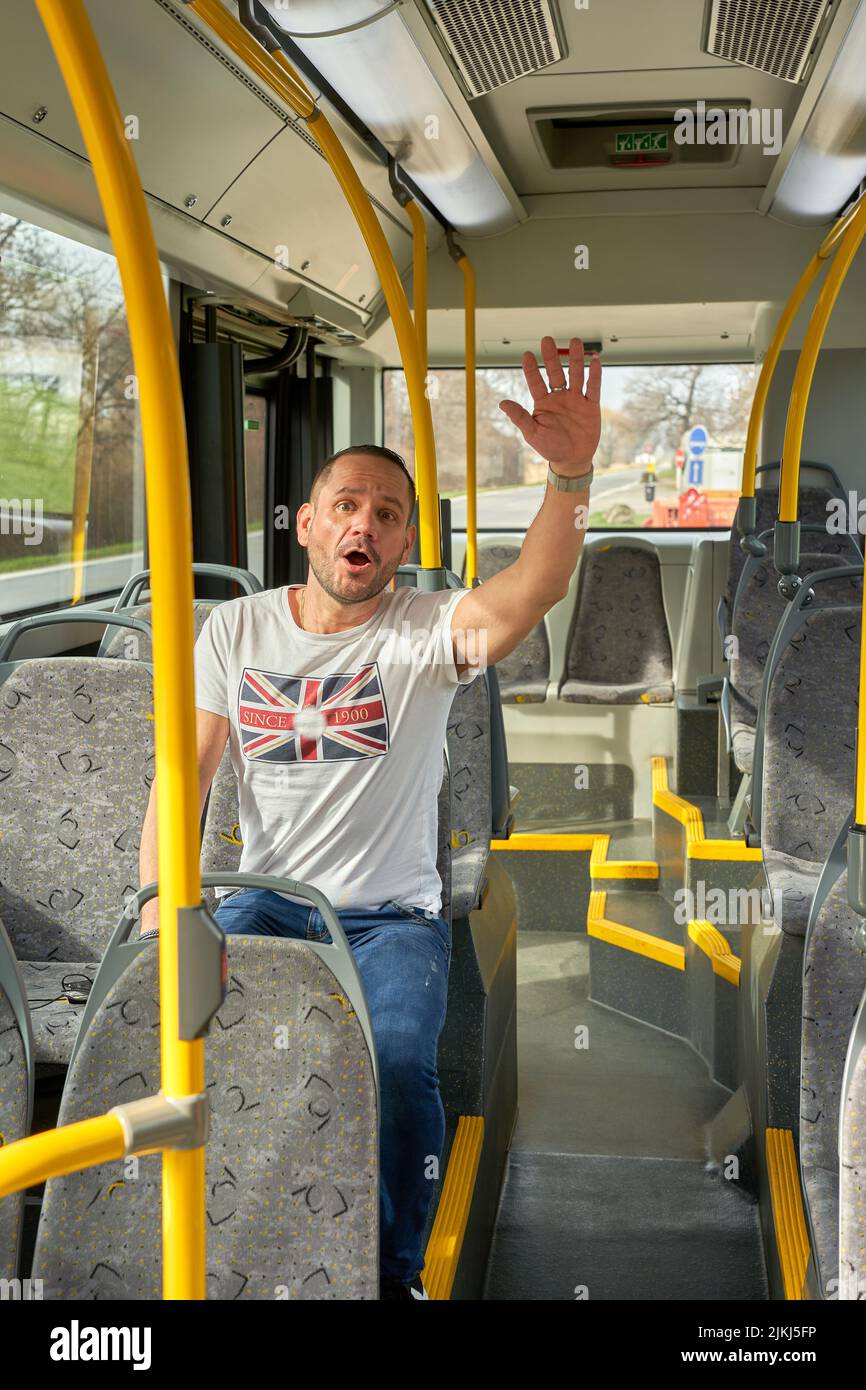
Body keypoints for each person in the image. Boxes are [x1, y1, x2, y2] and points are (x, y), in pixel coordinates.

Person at [138, 335, 601, 1300]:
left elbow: (538, 585)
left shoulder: (429, 634)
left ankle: (395, 1274)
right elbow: (185, 771)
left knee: (395, 1064)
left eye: (387, 515)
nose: (365, 524)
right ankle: (211, 1249)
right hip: (262, 902)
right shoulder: (236, 628)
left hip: (389, 916)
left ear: (403, 542)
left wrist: (569, 473)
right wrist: (158, 913)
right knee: (171, 1038)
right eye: (346, 506)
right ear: (307, 524)